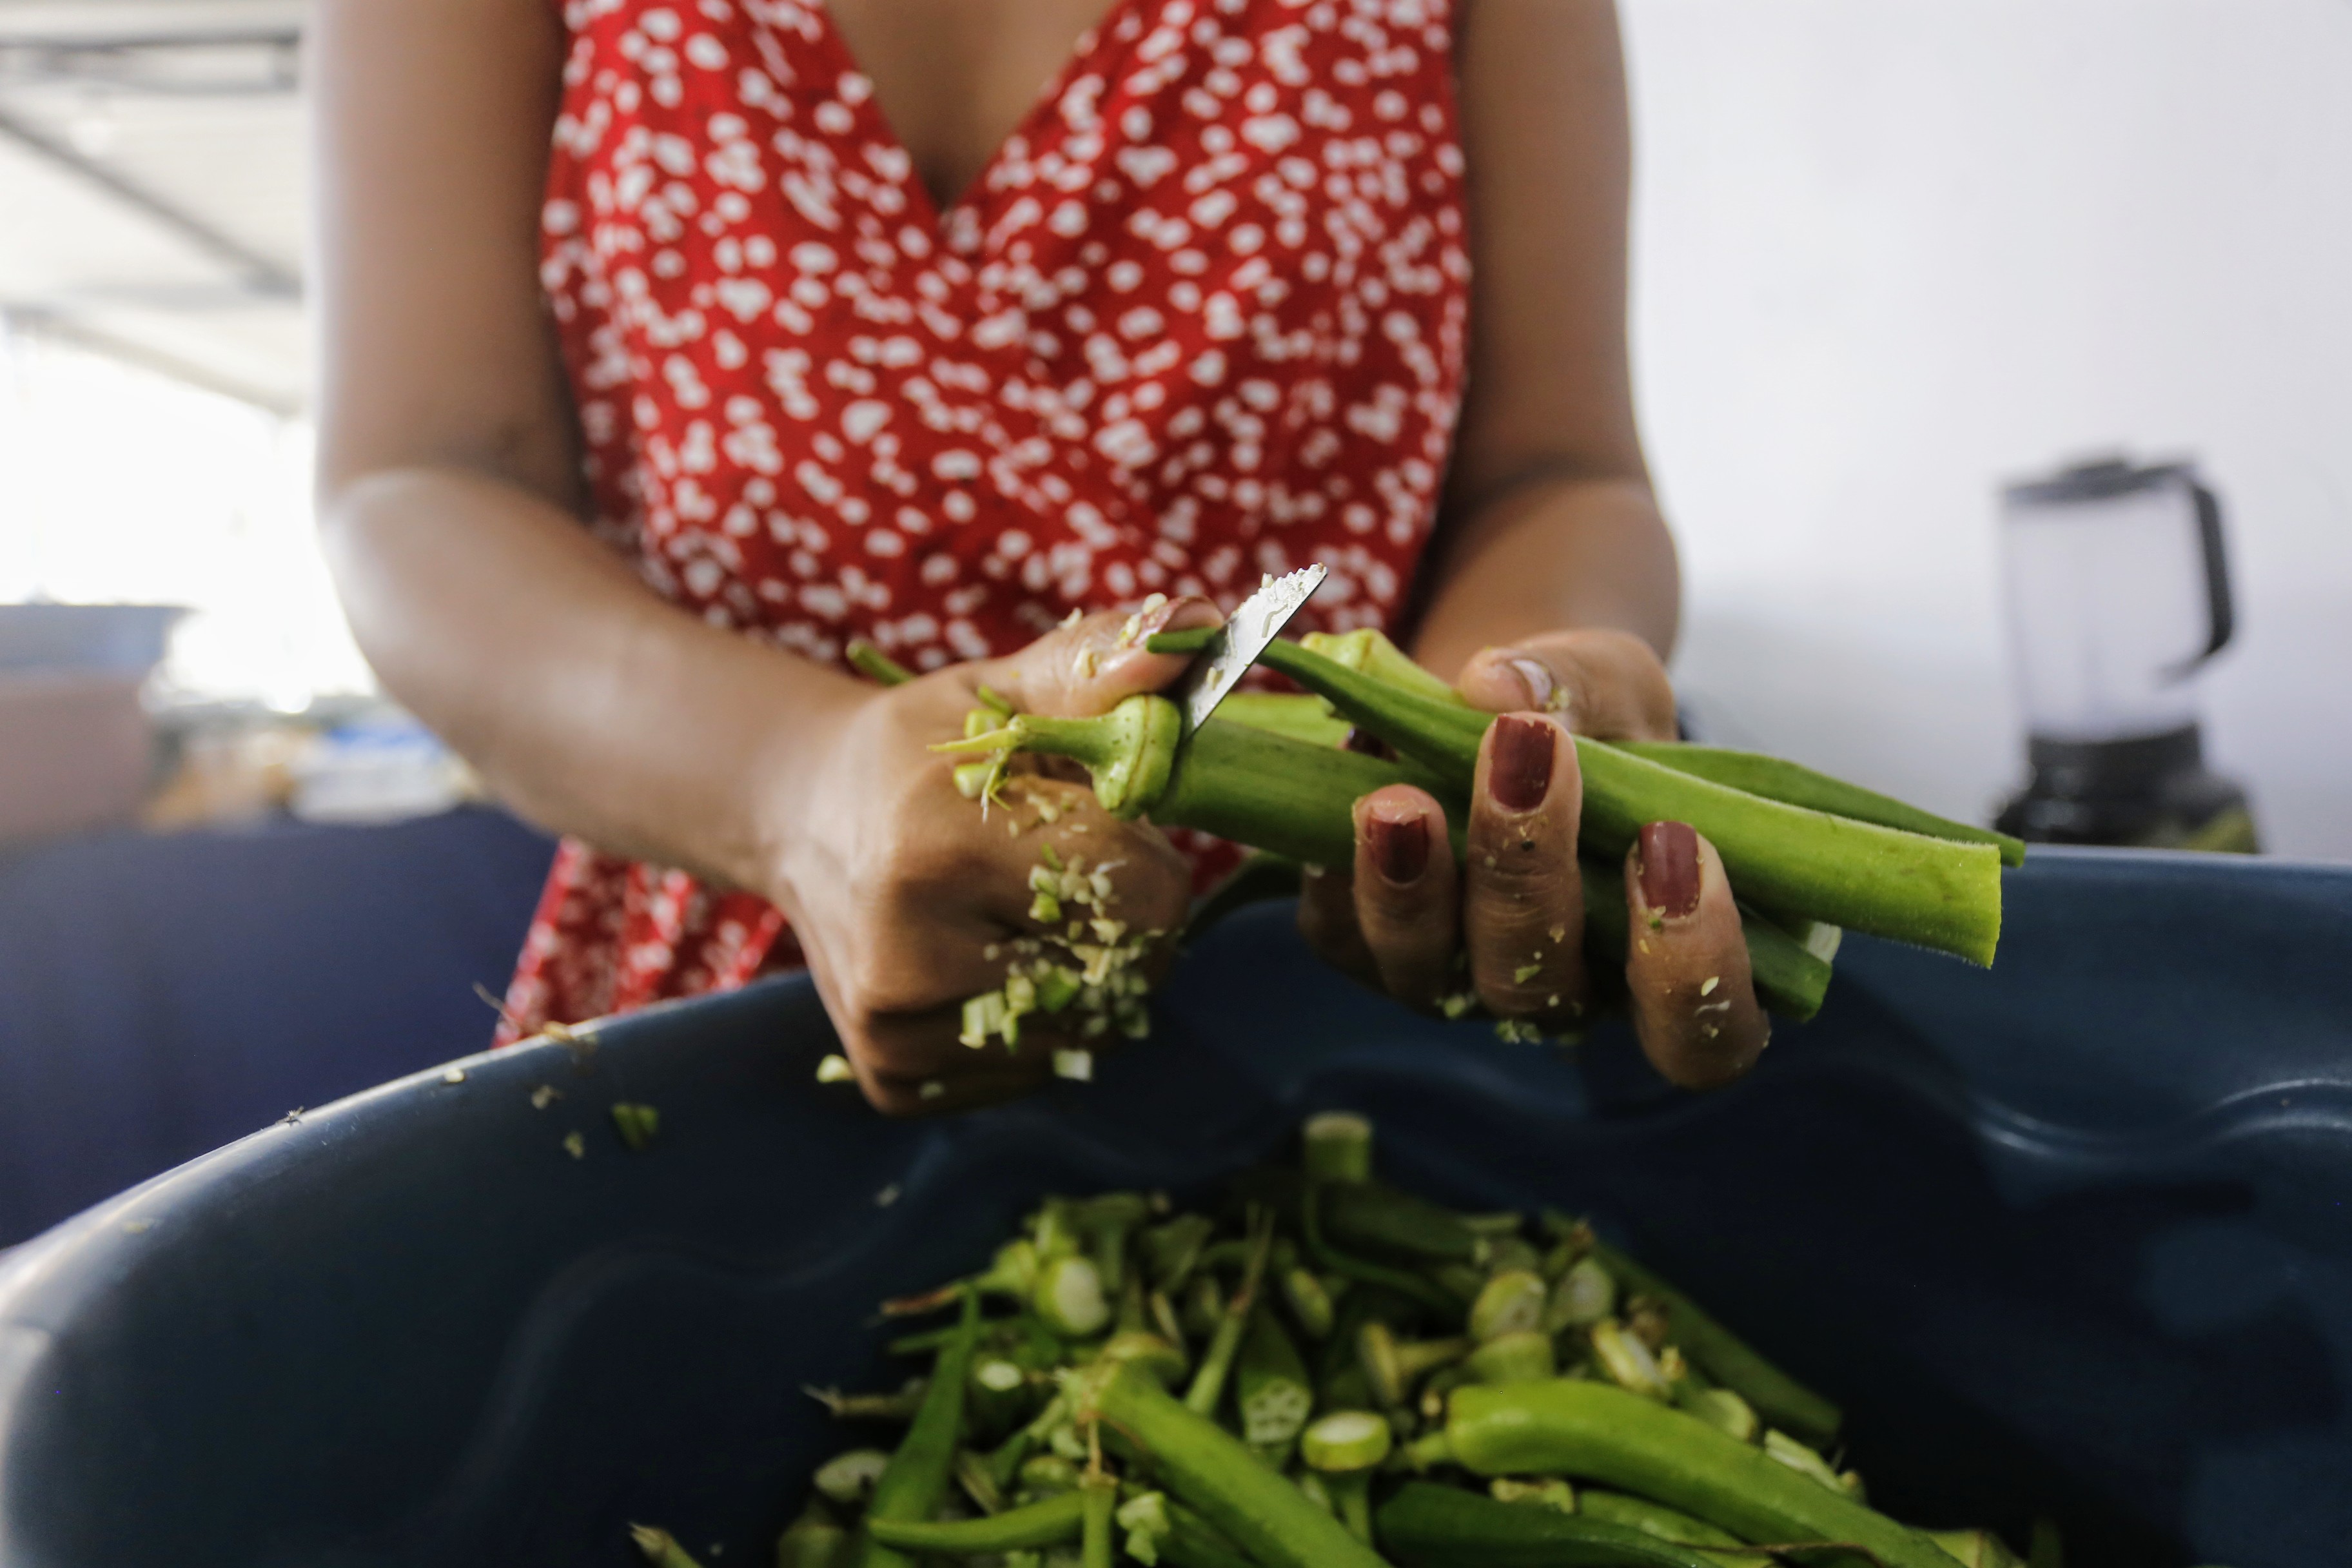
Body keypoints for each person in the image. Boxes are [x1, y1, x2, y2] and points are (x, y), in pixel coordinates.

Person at [311, 0, 1768, 1113]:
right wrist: (795, 784)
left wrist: (1505, 711)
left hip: (1355, 987)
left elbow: (1556, 473)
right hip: (739, 1003)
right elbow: (417, 483)